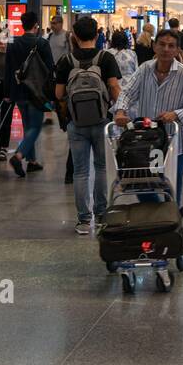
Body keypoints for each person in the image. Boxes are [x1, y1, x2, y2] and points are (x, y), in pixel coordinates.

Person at [112, 29, 183, 215]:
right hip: (145, 143)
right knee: (141, 185)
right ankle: (160, 215)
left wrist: (175, 114)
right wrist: (121, 111)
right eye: (162, 44)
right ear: (154, 46)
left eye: (171, 46)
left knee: (170, 188)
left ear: (177, 50)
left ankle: (171, 219)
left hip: (175, 145)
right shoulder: (144, 69)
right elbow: (127, 92)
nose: (166, 49)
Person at [54, 15, 122, 234]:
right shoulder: (106, 58)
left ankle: (84, 220)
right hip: (102, 121)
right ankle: (101, 215)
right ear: (98, 34)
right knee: (101, 167)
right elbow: (114, 88)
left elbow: (58, 93)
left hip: (76, 122)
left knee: (80, 171)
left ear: (74, 35)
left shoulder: (66, 61)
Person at [5, 11, 55, 177]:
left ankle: (32, 161)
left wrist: (8, 92)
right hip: (37, 92)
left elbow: (8, 70)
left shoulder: (13, 44)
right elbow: (50, 69)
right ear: (36, 25)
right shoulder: (42, 43)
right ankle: (19, 156)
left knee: (28, 127)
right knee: (35, 127)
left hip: (19, 91)